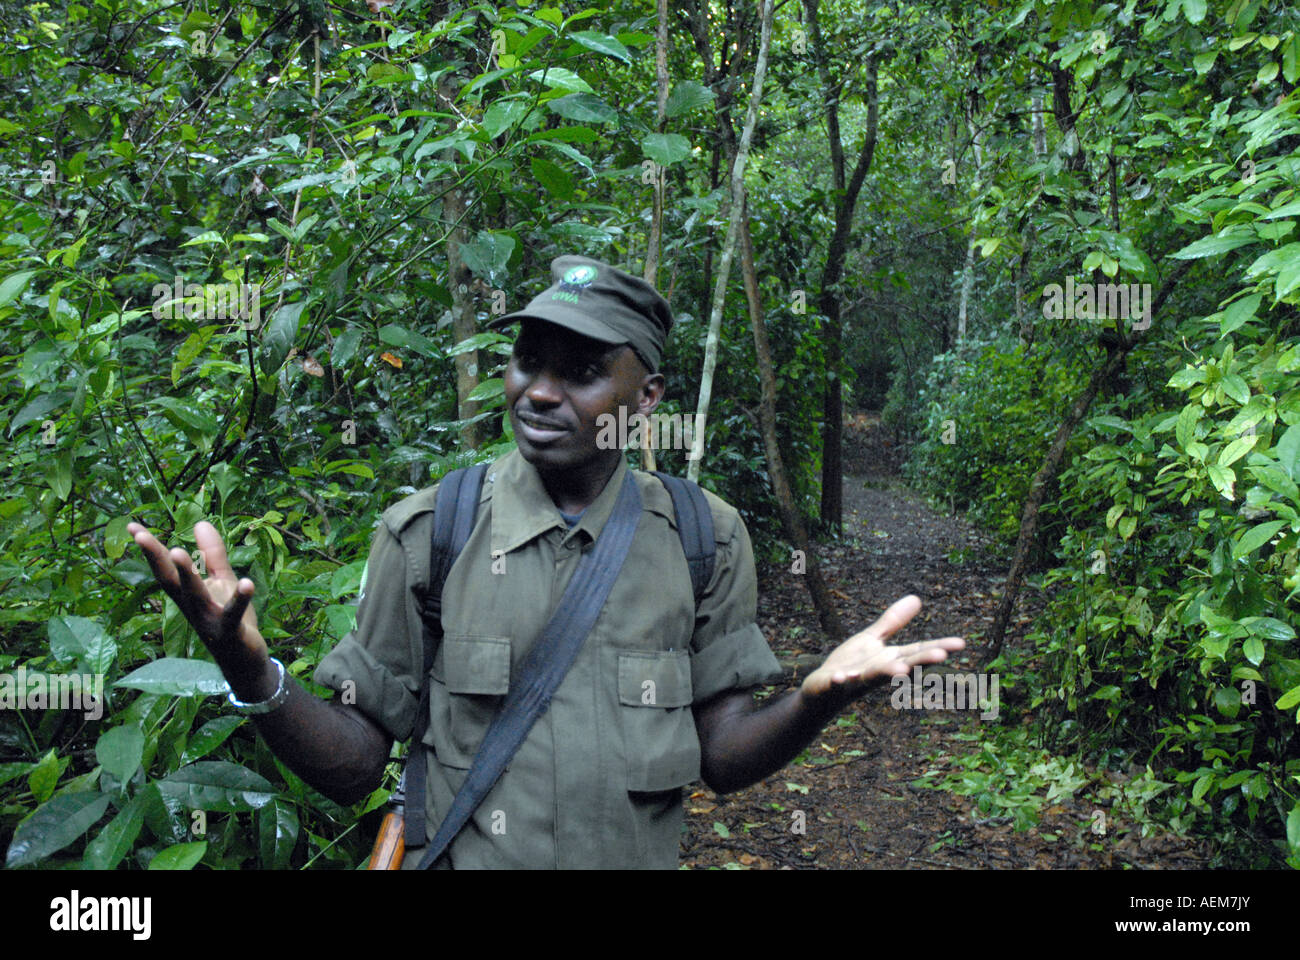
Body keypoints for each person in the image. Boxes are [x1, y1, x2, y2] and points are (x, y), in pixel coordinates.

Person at [127, 255, 963, 869]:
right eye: (529, 361)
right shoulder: (430, 533)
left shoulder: (706, 538)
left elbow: (723, 754)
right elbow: (353, 765)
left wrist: (819, 697)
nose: (540, 392)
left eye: (584, 372)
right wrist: (251, 672)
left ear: (647, 398)